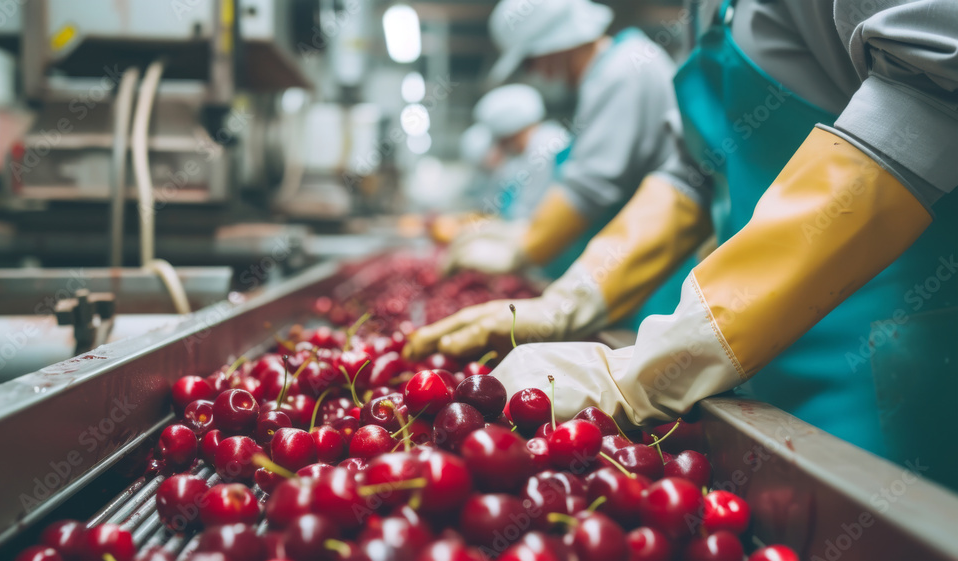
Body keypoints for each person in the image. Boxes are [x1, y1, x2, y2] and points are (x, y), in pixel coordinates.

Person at [411, 0, 958, 486]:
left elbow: (926, 89)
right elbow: (691, 174)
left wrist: (651, 368)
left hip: (878, 360)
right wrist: (573, 297)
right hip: (753, 370)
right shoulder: (708, 15)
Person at [443, 0, 694, 279]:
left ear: (554, 43)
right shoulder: (609, 72)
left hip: (659, 262)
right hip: (640, 253)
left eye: (530, 61)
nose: (536, 73)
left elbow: (589, 185)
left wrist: (522, 249)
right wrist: (519, 232)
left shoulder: (620, 73)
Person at [469, 83, 569, 223]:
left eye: (503, 142)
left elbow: (529, 211)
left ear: (512, 135)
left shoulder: (544, 147)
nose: (504, 149)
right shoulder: (540, 143)